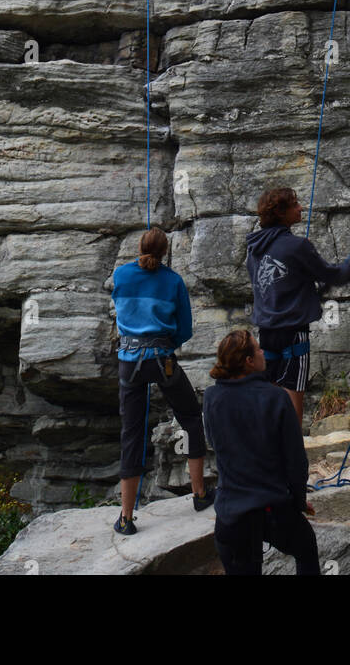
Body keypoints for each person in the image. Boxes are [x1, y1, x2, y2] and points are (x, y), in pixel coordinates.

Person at [111, 226, 214, 535]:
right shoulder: (173, 281)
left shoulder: (121, 275)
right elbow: (185, 329)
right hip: (162, 360)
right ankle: (198, 494)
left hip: (129, 362)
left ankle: (126, 518)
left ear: (140, 246)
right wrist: (167, 342)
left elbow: (120, 307)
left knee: (132, 432)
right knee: (191, 419)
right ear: (165, 252)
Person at [202, 329, 320, 575]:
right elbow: (296, 461)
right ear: (248, 361)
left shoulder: (212, 397)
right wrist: (298, 500)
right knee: (306, 548)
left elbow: (214, 443)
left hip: (231, 515)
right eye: (258, 349)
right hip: (273, 508)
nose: (263, 352)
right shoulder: (275, 397)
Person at [246, 186, 350, 426]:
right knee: (292, 398)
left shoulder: (254, 249)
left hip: (266, 334)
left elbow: (270, 286)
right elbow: (332, 275)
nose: (301, 208)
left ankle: (269, 450)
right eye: (295, 205)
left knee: (269, 395)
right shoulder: (298, 246)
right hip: (293, 334)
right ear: (281, 212)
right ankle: (292, 454)